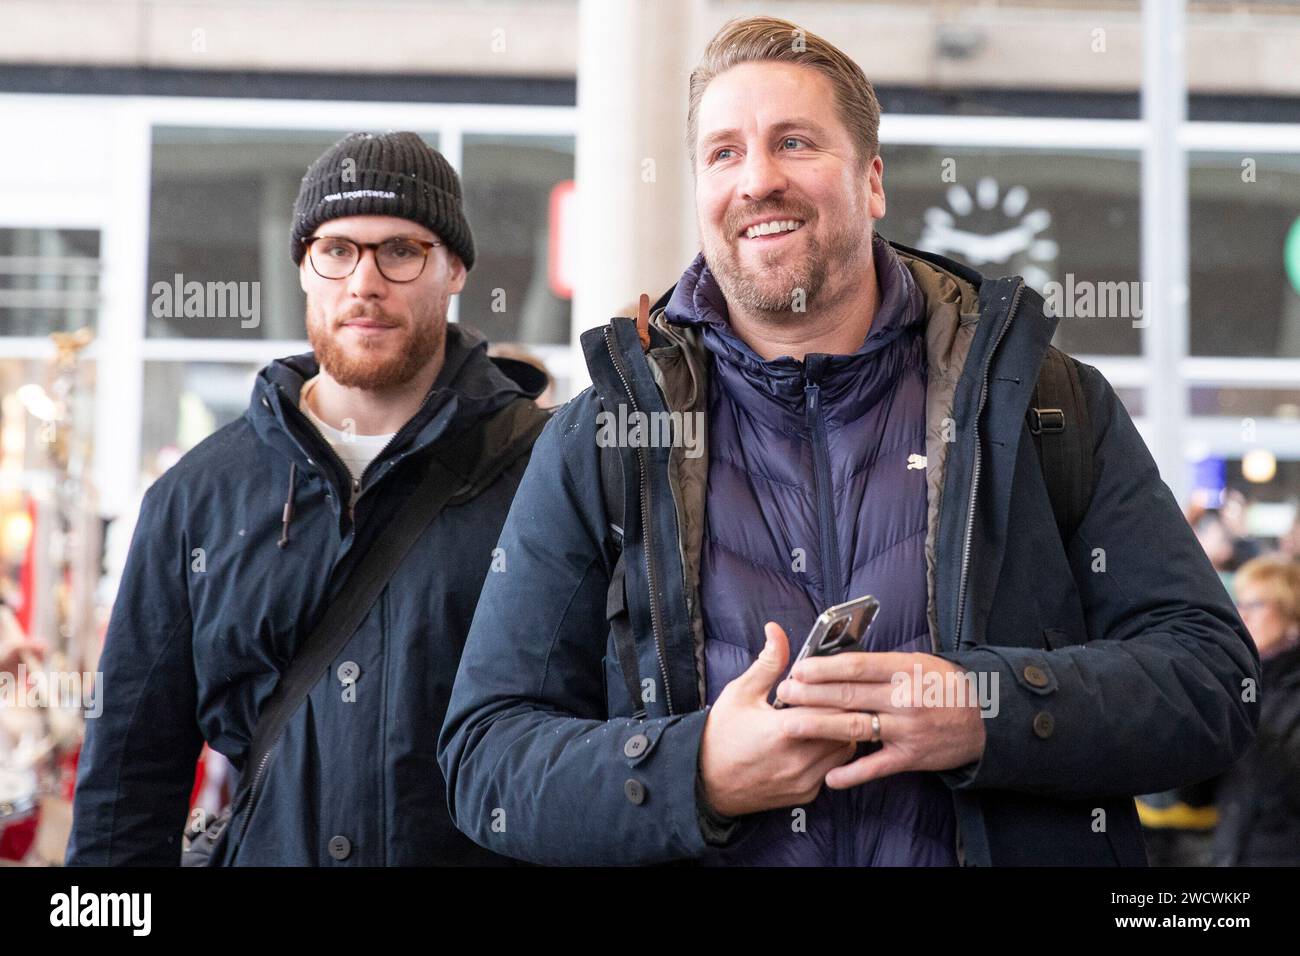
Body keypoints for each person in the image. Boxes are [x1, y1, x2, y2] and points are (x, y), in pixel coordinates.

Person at [438, 16, 1260, 867]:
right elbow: (485, 760)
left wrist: (988, 708)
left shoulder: (1042, 403)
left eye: (793, 142)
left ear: (871, 182)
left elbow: (1213, 683)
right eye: (723, 153)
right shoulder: (607, 435)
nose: (758, 180)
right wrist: (696, 772)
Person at [66, 131, 547, 865]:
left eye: (401, 250)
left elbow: (590, 731)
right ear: (303, 268)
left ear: (453, 270)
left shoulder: (544, 475)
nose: (364, 282)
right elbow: (128, 787)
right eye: (337, 249)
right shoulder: (196, 497)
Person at [1213, 554, 1300, 865]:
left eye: (1255, 605)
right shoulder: (1243, 679)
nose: (1242, 616)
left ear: (1291, 614)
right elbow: (1196, 795)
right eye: (1239, 604)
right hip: (1231, 852)